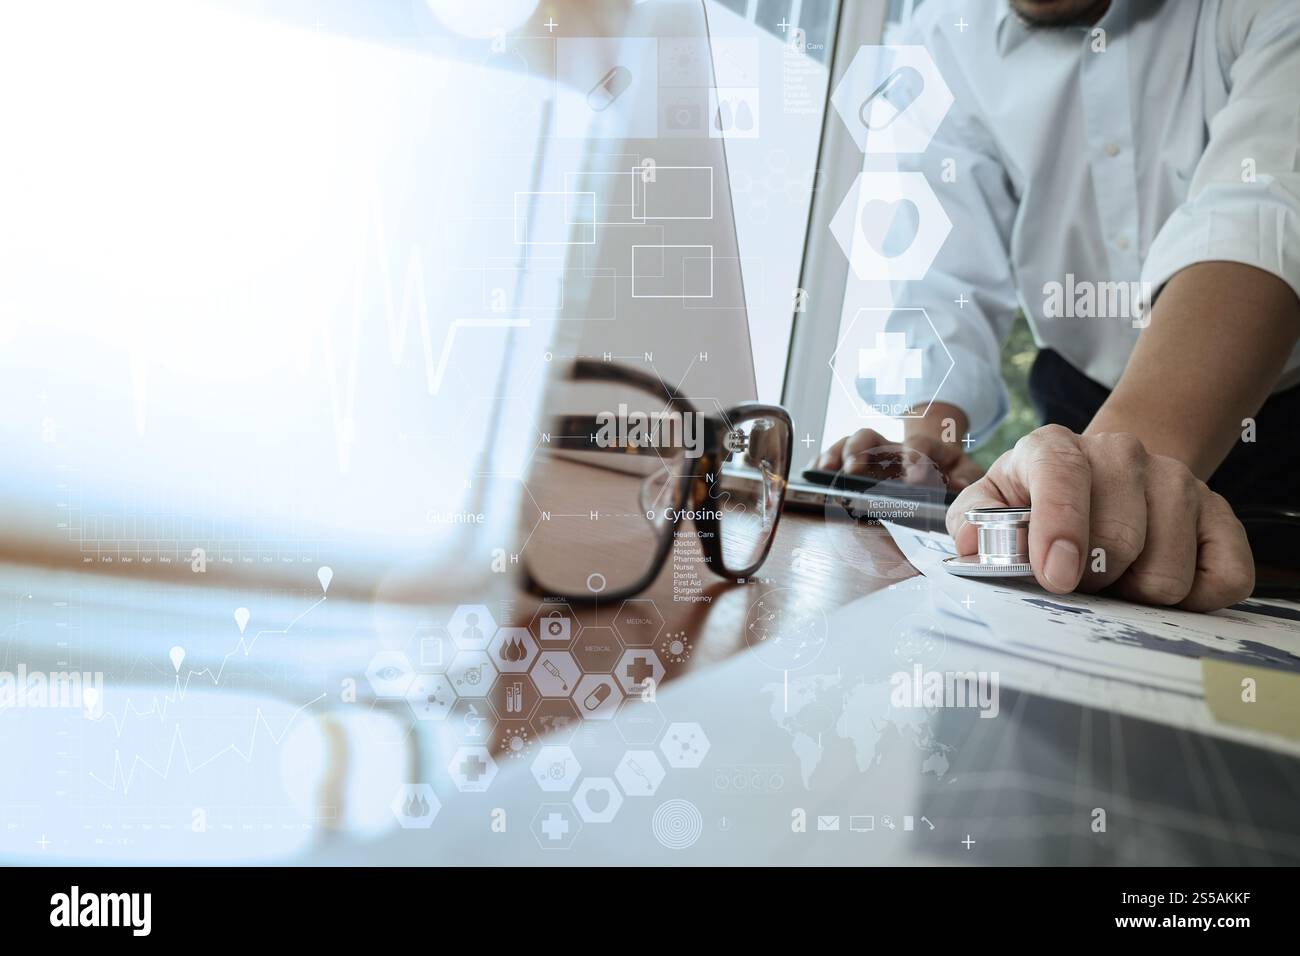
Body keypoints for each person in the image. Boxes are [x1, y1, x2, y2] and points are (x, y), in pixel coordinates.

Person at [818, 0, 1300, 611]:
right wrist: (929, 448)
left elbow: (1260, 216)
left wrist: (1094, 483)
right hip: (1077, 409)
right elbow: (944, 269)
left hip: (1279, 427)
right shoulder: (945, 32)